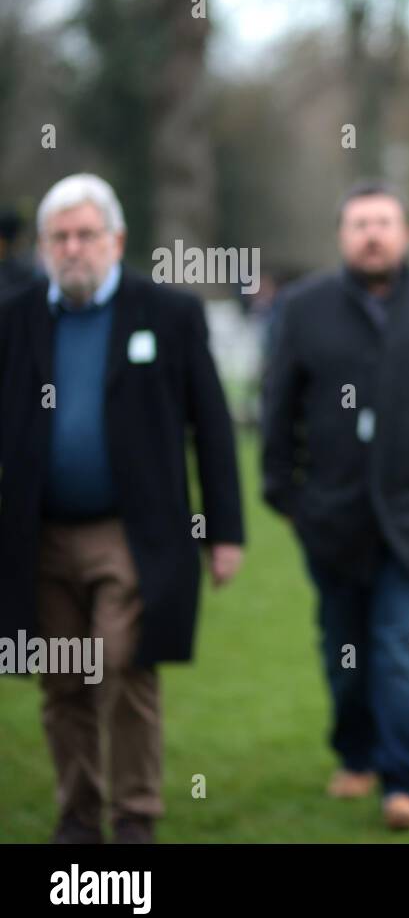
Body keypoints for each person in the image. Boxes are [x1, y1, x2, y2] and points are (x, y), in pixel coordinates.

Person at [0, 173, 245, 844]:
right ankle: (79, 814)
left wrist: (224, 530)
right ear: (45, 245)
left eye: (85, 235)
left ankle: (135, 814)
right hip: (37, 534)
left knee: (122, 663)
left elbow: (213, 425)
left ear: (116, 240)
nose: (73, 248)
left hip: (132, 532)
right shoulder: (16, 318)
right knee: (62, 680)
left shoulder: (167, 313)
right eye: (60, 237)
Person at [260, 181, 409, 831]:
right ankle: (353, 752)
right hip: (331, 521)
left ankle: (404, 780)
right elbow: (277, 412)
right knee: (342, 651)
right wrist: (289, 497)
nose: (373, 233)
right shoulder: (304, 307)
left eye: (384, 221)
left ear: (406, 232)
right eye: (359, 223)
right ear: (342, 235)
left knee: (393, 648)